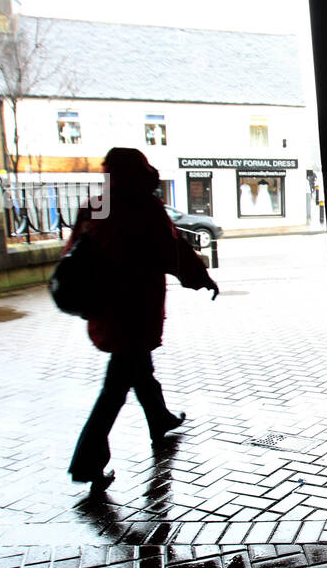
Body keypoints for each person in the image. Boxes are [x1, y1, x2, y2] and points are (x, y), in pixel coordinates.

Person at [65, 147, 219, 491]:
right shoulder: (142, 205)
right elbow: (172, 250)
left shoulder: (97, 204)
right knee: (115, 388)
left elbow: (77, 248)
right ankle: (87, 462)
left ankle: (159, 419)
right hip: (134, 308)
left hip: (105, 307)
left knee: (137, 368)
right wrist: (201, 277)